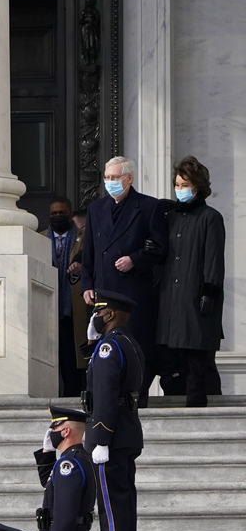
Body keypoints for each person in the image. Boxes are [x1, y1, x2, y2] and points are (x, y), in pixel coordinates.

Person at [79, 156, 168, 401]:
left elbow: (160, 247)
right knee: (105, 348)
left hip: (134, 293)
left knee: (135, 347)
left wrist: (135, 260)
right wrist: (87, 284)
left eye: (115, 178)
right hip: (105, 292)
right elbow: (90, 251)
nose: (110, 182)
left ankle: (137, 398)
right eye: (107, 178)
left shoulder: (149, 207)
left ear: (128, 179)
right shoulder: (95, 209)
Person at [82, 293, 144, 531]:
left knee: (111, 506)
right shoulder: (126, 342)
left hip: (112, 435)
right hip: (126, 432)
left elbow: (105, 394)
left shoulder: (110, 346)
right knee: (121, 503)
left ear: (109, 314)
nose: (93, 317)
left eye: (98, 313)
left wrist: (102, 438)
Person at [158, 156, 225, 408]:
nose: (180, 189)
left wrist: (210, 290)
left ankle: (198, 404)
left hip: (196, 297)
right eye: (177, 184)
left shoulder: (210, 217)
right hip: (171, 298)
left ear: (197, 187)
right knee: (174, 359)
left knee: (199, 358)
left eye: (184, 184)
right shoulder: (171, 217)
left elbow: (214, 257)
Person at [47, 195, 85, 397]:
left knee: (74, 360)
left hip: (74, 309)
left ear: (70, 214)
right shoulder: (39, 237)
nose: (58, 217)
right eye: (54, 213)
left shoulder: (83, 237)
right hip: (48, 310)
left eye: (62, 213)